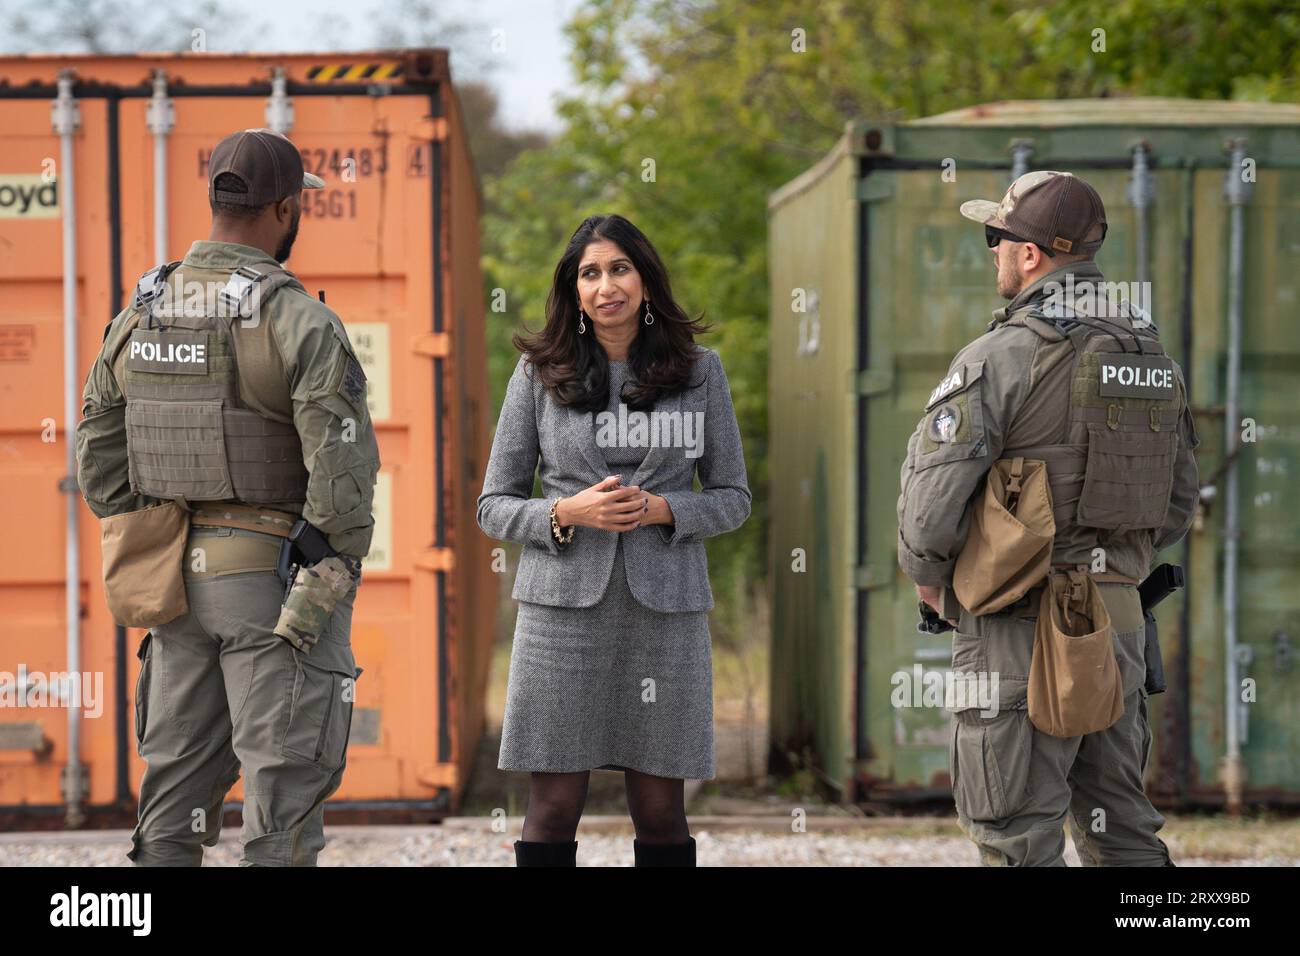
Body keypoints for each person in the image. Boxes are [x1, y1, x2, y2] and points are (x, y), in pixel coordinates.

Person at [75, 127, 380, 866]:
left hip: (172, 589)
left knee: (174, 801)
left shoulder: (138, 312)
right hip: (271, 586)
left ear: (215, 198)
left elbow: (97, 459)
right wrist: (332, 573)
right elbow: (341, 478)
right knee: (281, 803)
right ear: (283, 209)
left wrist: (152, 534)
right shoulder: (297, 321)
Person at [896, 171, 1200, 866]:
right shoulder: (1150, 357)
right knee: (1122, 832)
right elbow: (1178, 504)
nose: (993, 253)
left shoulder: (1001, 356)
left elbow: (931, 500)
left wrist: (929, 576)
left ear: (1029, 254)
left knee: (1014, 835)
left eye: (995, 238)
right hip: (1118, 623)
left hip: (1018, 627)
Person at [476, 213, 751, 867]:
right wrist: (565, 512)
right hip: (560, 619)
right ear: (574, 291)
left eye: (620, 269)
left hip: (665, 616)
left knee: (660, 812)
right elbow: (493, 506)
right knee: (552, 809)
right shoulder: (537, 374)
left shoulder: (699, 373)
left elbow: (733, 498)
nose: (607, 286)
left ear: (646, 282)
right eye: (590, 273)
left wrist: (664, 509)